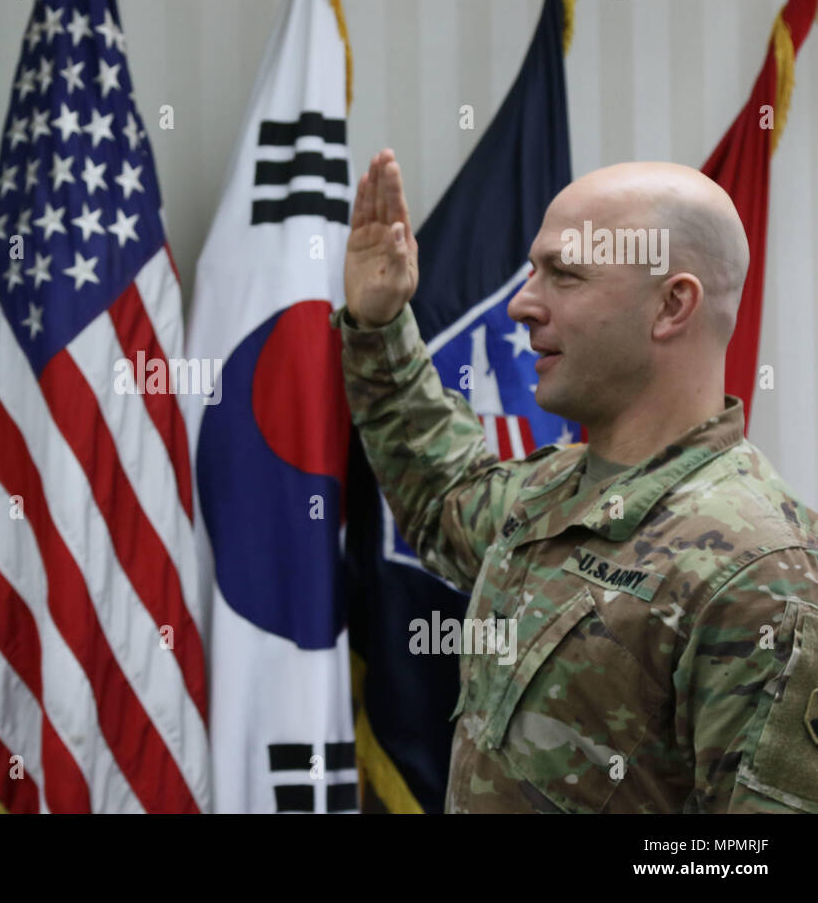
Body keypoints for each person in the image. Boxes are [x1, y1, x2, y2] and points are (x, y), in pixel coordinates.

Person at [333, 148, 818, 813]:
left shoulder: (760, 572)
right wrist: (380, 324)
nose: (521, 304)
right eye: (533, 271)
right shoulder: (553, 495)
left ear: (671, 305)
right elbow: (443, 492)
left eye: (564, 275)